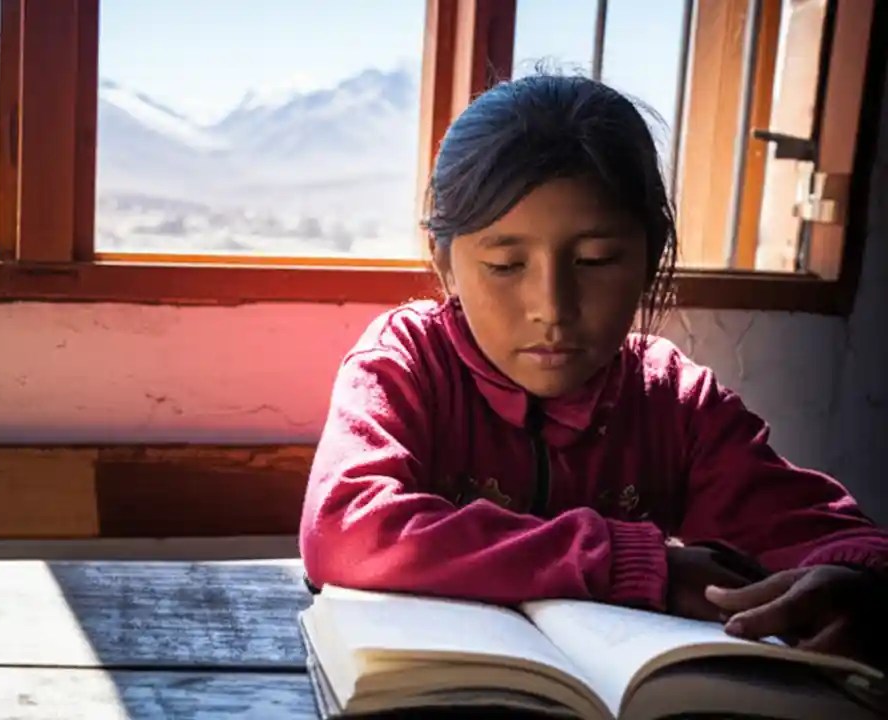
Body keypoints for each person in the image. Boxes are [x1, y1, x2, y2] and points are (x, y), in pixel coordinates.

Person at [298, 73, 888, 666]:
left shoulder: (675, 404)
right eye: (505, 265)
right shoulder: (407, 364)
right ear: (445, 264)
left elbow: (843, 541)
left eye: (595, 260)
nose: (552, 308)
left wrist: (857, 581)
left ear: (651, 257)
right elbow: (346, 530)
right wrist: (627, 562)